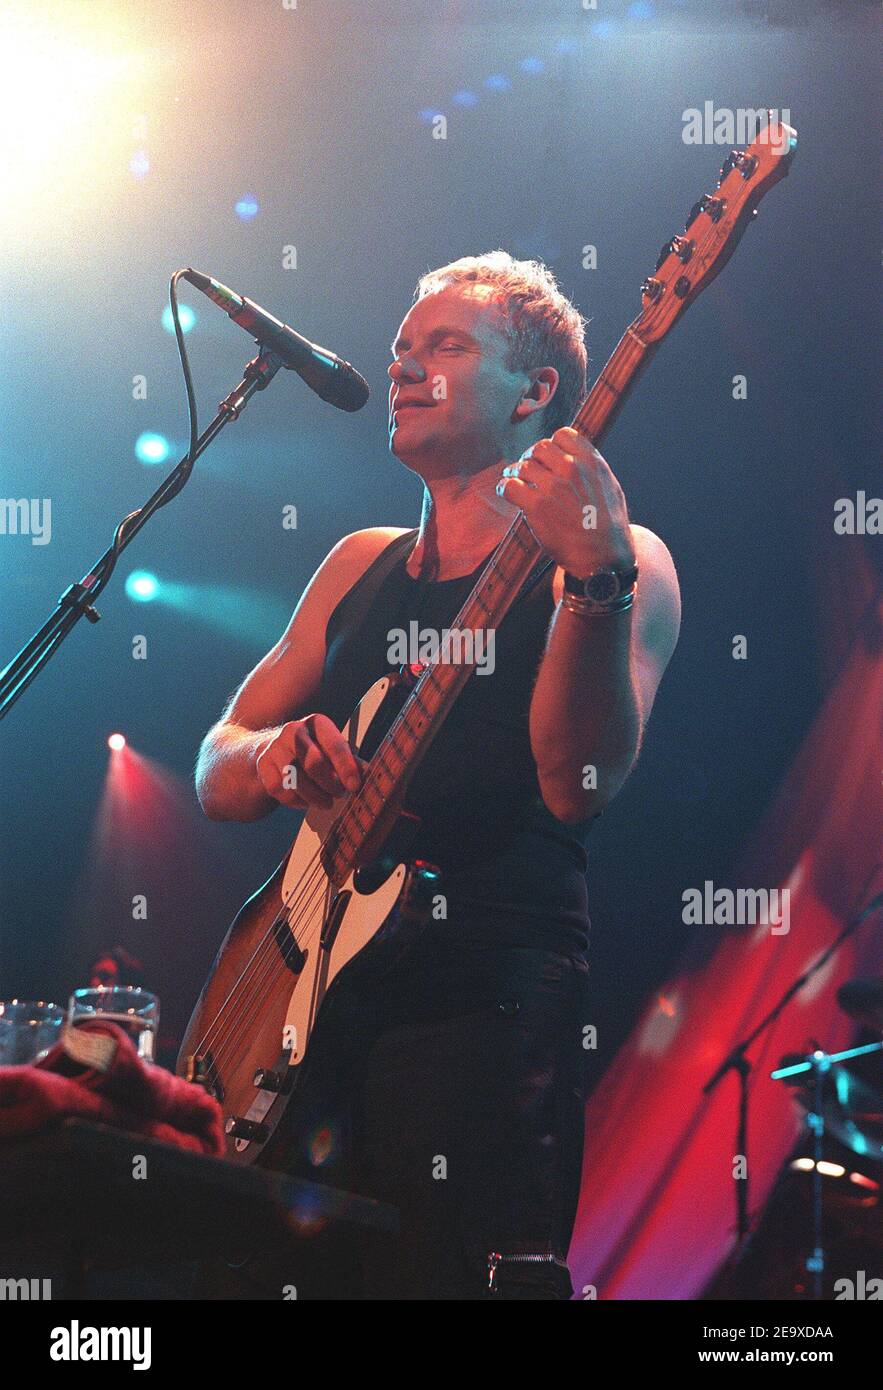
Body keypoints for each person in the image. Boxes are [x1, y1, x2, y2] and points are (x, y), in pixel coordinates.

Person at [194, 251, 681, 1299]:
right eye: (401, 350)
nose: (405, 368)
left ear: (537, 391)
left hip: (477, 1018)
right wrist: (275, 757)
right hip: (305, 1013)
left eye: (446, 346)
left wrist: (592, 581)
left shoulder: (617, 551)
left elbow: (578, 780)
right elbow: (215, 762)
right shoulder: (355, 561)